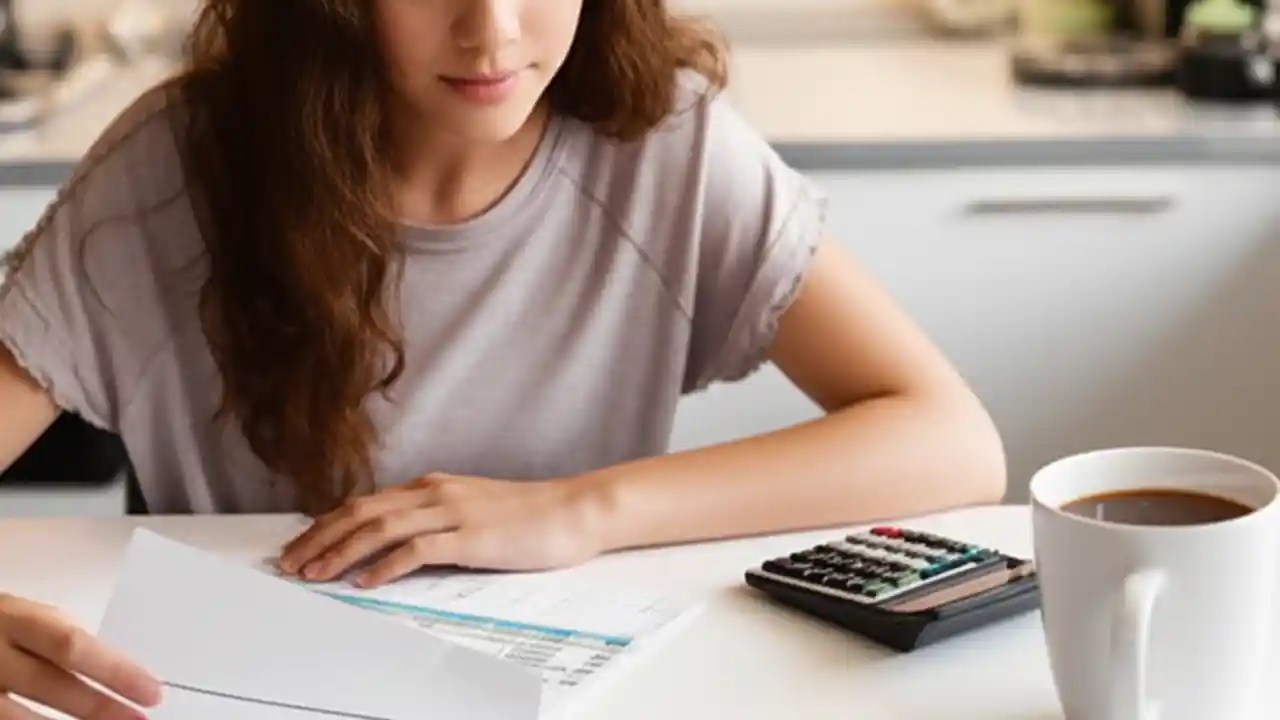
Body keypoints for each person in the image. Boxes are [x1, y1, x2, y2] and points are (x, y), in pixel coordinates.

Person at [0, 0, 1006, 716]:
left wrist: (578, 509)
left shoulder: (665, 145)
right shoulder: (175, 169)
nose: (491, 30)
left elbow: (951, 440)